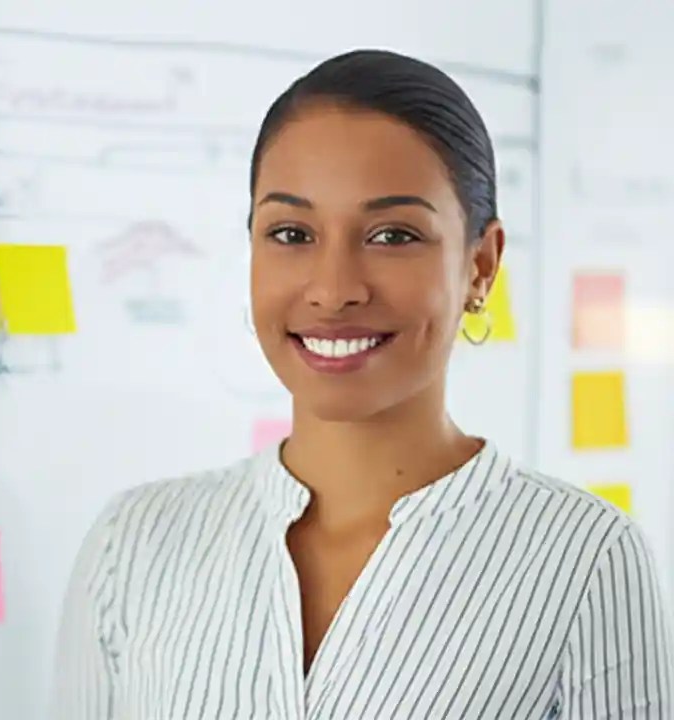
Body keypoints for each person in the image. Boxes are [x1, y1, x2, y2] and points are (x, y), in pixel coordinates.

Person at [50, 48, 673, 719]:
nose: (334, 290)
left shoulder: (583, 559)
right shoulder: (133, 545)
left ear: (481, 266)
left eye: (393, 235)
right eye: (291, 232)